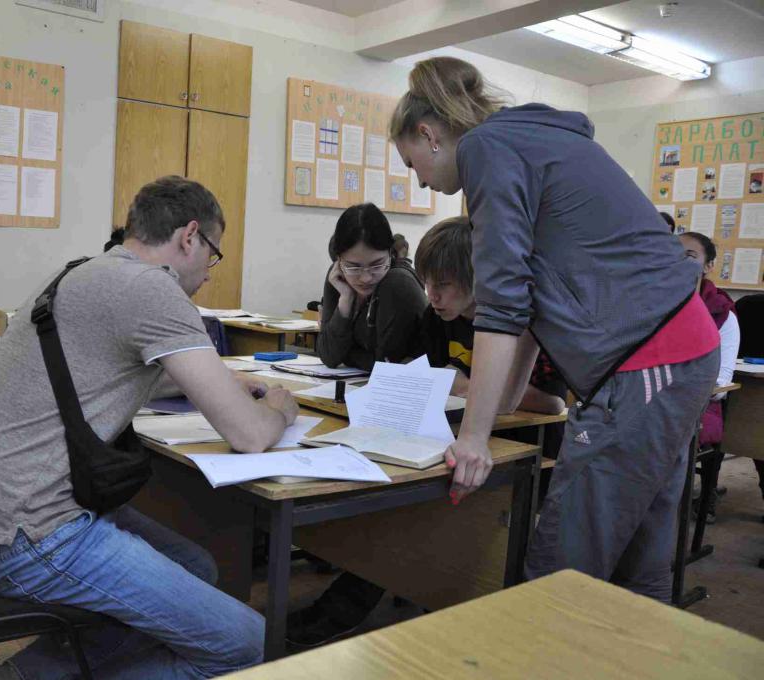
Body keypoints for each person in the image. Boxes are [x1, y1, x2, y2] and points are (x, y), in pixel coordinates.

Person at [390, 56, 719, 602]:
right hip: (674, 353)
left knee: (562, 563)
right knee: (640, 549)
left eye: (411, 162)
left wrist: (472, 438)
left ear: (430, 135)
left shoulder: (485, 150)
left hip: (645, 360)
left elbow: (499, 305)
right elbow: (523, 305)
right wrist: (501, 404)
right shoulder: (531, 141)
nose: (419, 178)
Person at [0, 176, 299, 680]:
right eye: (213, 254)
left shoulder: (85, 271)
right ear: (190, 236)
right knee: (251, 646)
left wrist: (227, 381)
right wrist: (281, 410)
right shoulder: (151, 288)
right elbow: (249, 435)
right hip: (31, 536)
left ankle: (24, 676)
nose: (208, 273)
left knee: (197, 567)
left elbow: (113, 373)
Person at [287, 216, 566, 649]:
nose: (432, 297)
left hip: (519, 451)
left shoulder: (518, 322)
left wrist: (470, 383)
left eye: (445, 285)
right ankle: (360, 600)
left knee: (412, 522)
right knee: (391, 506)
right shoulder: (439, 317)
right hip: (448, 435)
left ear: (479, 280)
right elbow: (428, 375)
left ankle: (360, 606)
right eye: (429, 283)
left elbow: (551, 402)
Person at [317, 203, 428, 371]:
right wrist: (345, 300)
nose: (366, 277)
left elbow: (387, 365)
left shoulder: (398, 283)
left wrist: (347, 354)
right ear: (339, 260)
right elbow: (328, 356)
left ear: (390, 253)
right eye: (354, 267)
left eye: (377, 265)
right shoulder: (337, 278)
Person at [678, 231, 740, 523]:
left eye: (689, 256)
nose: (678, 262)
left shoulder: (722, 313)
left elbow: (720, 387)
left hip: (696, 406)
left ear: (708, 266)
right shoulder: (648, 301)